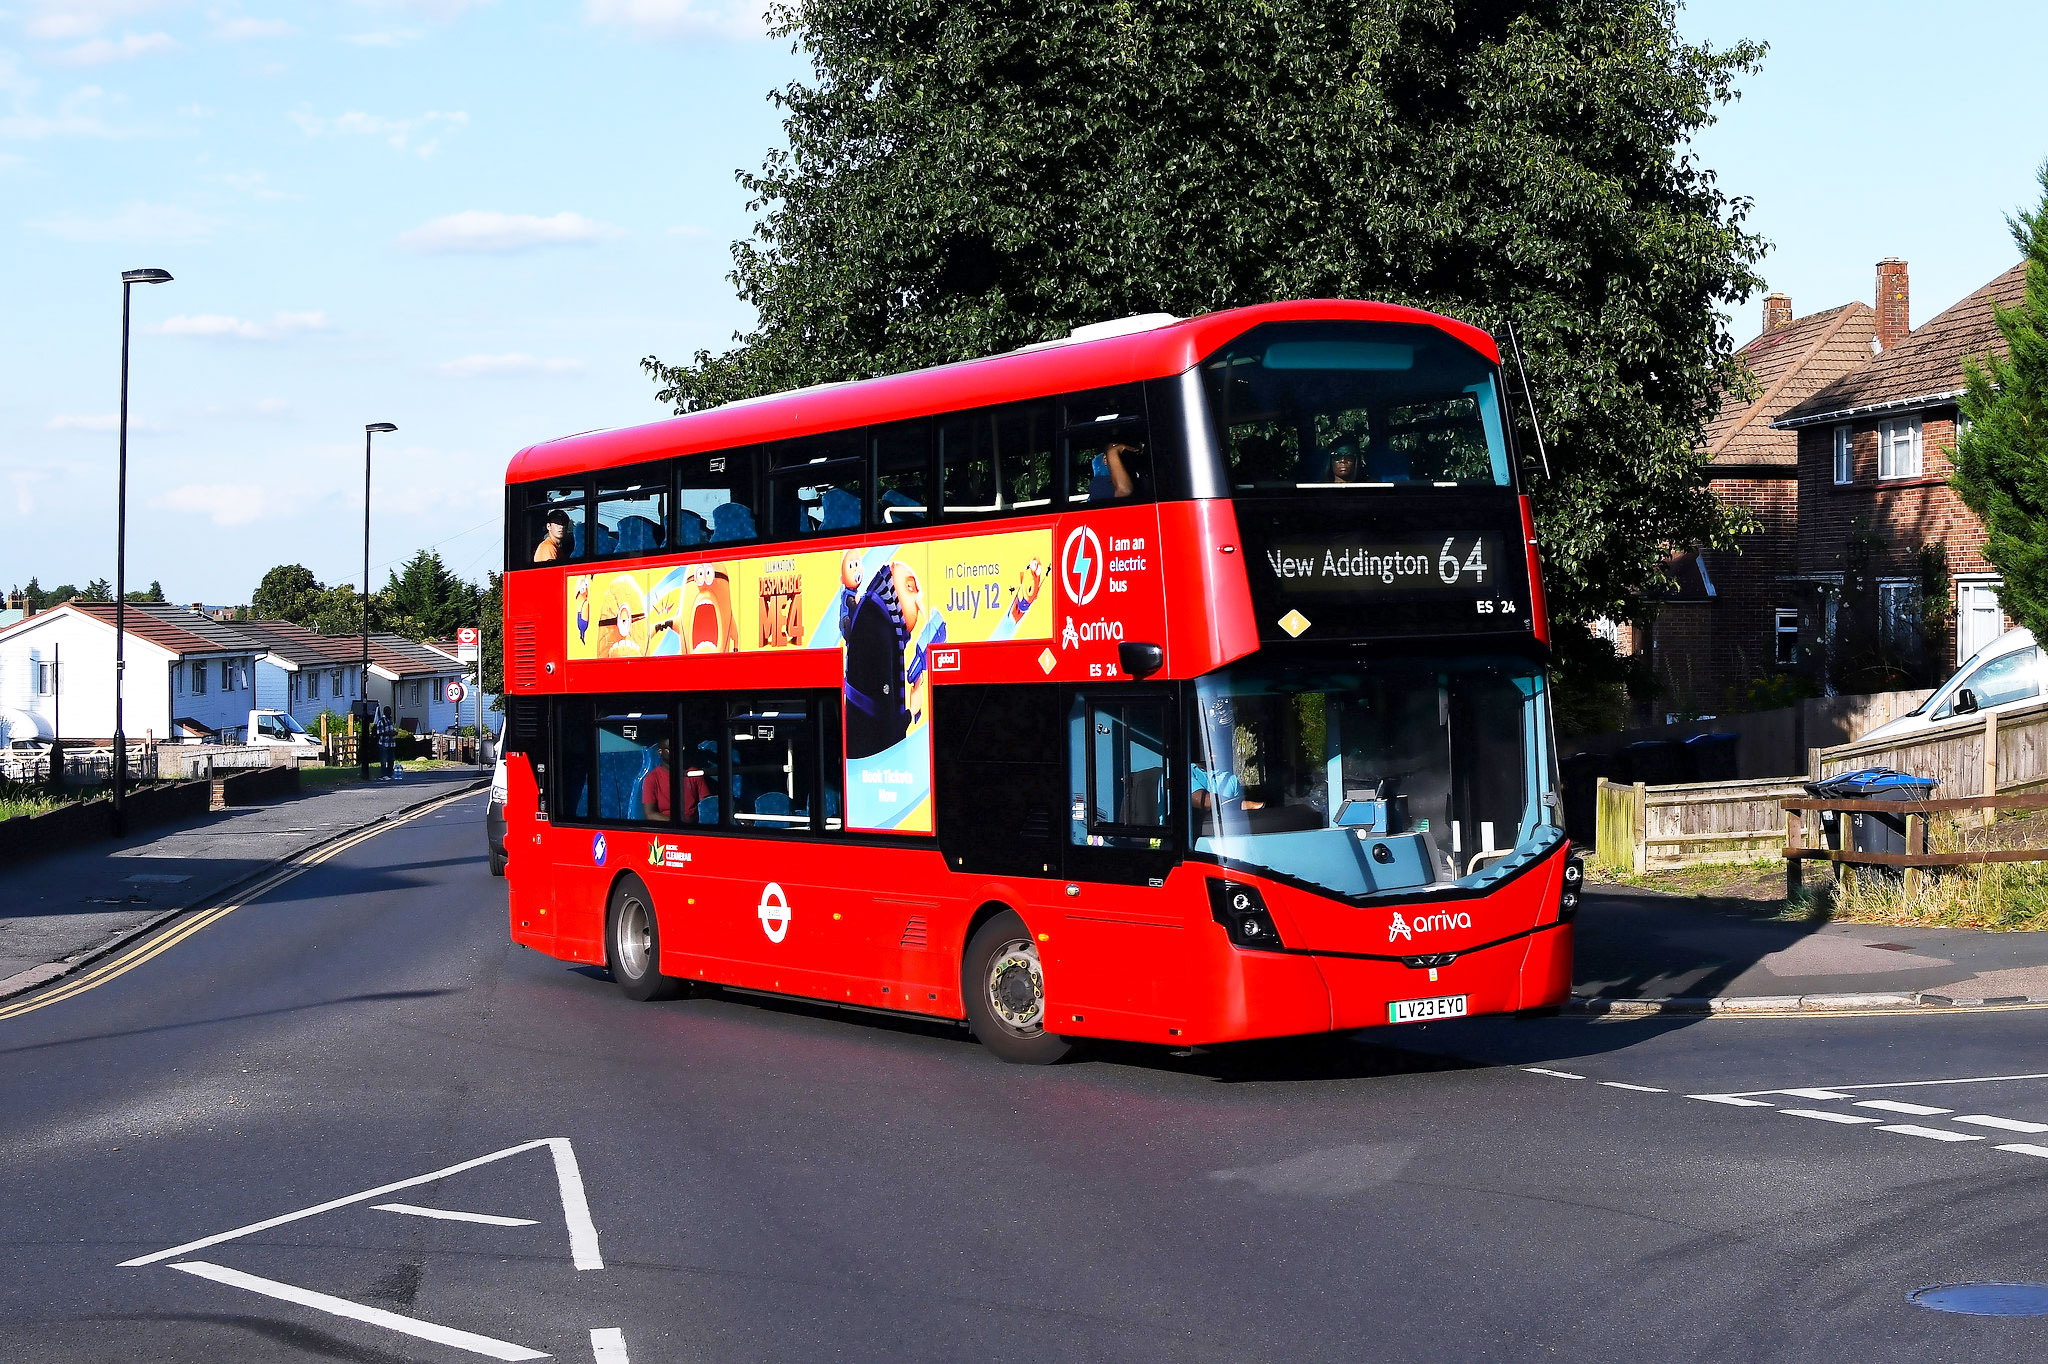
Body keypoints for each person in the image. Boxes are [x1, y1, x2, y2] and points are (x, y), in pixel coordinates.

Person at [640, 739, 672, 822]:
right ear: (660, 752)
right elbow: (650, 814)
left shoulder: (693, 773)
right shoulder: (652, 778)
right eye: (670, 749)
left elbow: (704, 806)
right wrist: (677, 823)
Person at [375, 706, 397, 779]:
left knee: (391, 760)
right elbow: (380, 733)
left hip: (391, 744)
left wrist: (394, 733)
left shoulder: (390, 720)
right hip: (383, 744)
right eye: (387, 711)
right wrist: (390, 734)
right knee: (384, 761)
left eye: (390, 711)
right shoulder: (381, 721)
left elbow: (391, 730)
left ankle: (390, 774)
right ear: (384, 712)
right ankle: (383, 775)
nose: (389, 713)